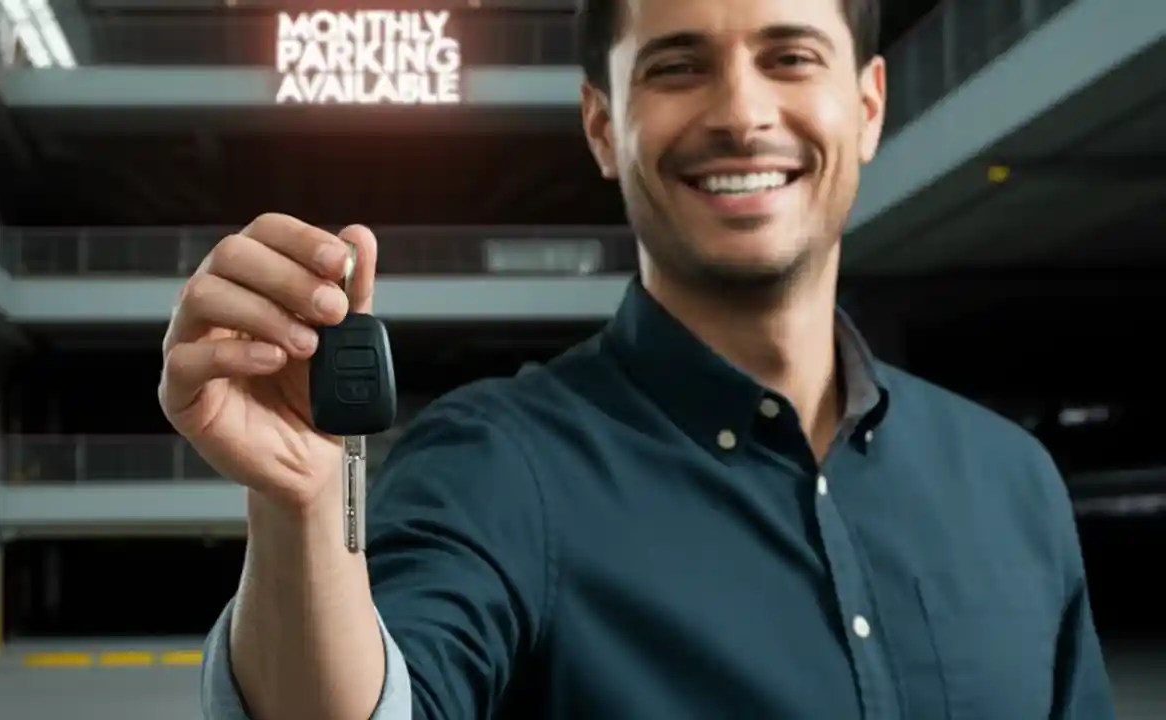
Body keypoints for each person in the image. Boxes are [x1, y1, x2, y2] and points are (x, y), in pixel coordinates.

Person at [161, 0, 1117, 717]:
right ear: (600, 126)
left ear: (866, 105)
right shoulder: (494, 468)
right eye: (676, 67)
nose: (742, 113)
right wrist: (304, 516)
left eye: (789, 57)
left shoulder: (1014, 480)